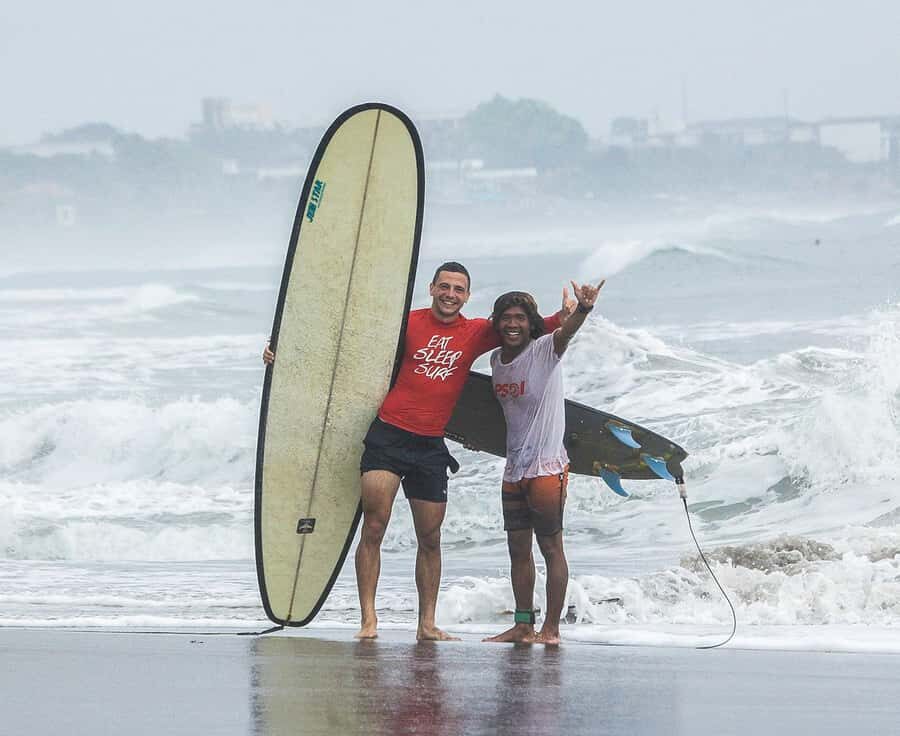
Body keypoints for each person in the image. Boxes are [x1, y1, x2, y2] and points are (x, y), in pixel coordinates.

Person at [264, 262, 573, 640]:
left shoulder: (477, 332)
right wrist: (286, 355)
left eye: (459, 289)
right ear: (432, 288)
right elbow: (350, 348)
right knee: (374, 525)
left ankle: (426, 624)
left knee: (430, 538)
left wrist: (569, 315)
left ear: (467, 296)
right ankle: (369, 621)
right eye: (444, 287)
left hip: (430, 445)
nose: (450, 294)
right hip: (389, 435)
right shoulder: (407, 322)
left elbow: (526, 327)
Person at [483, 280, 604, 645]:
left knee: (551, 548)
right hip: (514, 469)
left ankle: (551, 630)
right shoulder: (495, 360)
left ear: (531, 322)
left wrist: (582, 309)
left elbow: (566, 334)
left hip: (547, 469)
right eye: (506, 318)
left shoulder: (545, 349)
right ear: (497, 323)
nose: (513, 323)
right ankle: (523, 625)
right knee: (518, 550)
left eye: (520, 317)